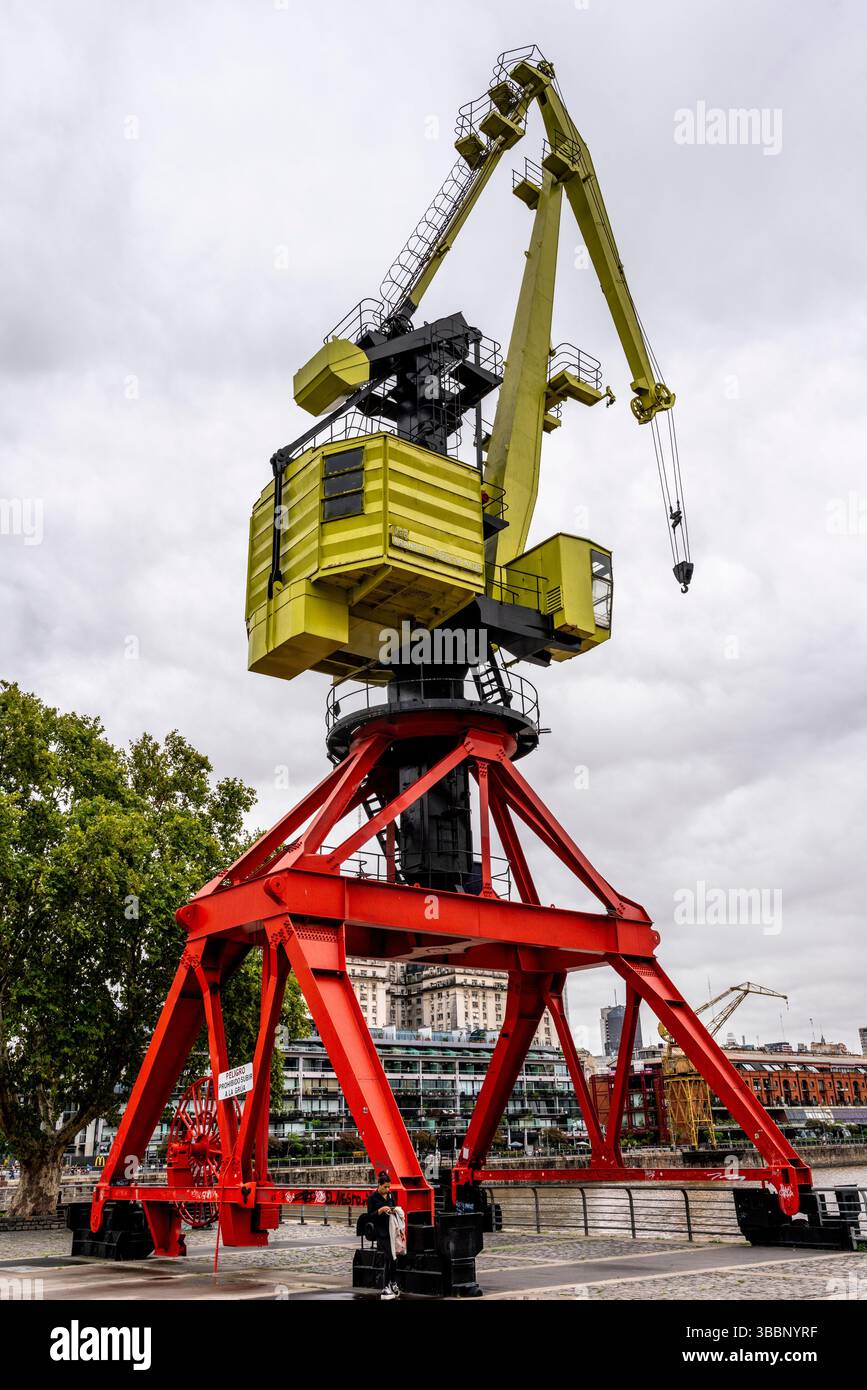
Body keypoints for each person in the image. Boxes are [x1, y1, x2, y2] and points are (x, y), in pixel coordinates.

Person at [366, 1170, 399, 1298]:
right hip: (380, 1232)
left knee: (391, 1259)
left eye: (389, 1187)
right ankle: (387, 1285)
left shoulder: (390, 1196)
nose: (387, 1189)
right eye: (385, 1187)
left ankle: (391, 1283)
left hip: (391, 1230)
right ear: (379, 1185)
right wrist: (380, 1210)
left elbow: (394, 1206)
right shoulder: (372, 1198)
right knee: (391, 1258)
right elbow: (369, 1216)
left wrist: (393, 1210)